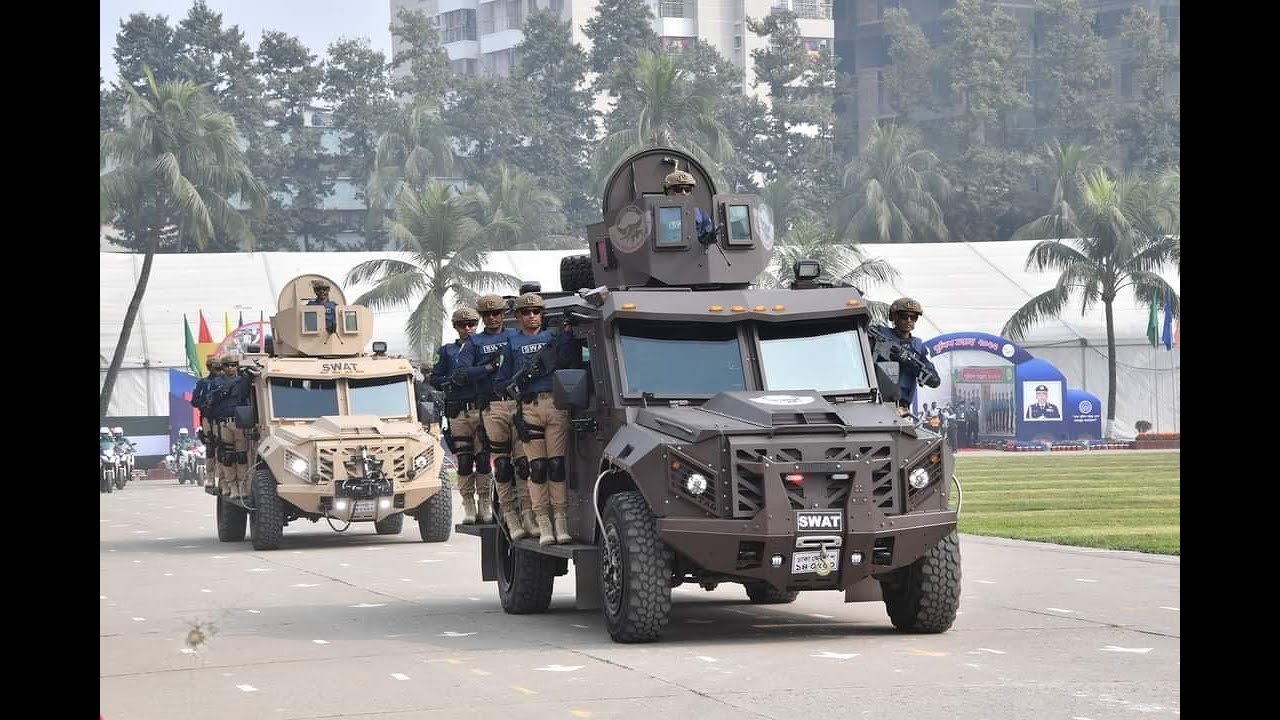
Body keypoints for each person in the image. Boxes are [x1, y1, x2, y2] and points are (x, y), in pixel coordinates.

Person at [453, 294, 534, 539]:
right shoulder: (474, 342)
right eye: (487, 314)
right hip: (491, 406)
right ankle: (509, 516)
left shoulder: (515, 336)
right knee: (501, 466)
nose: (492, 318)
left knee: (524, 465)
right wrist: (488, 368)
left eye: (496, 313)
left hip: (518, 404)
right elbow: (461, 374)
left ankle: (528, 514)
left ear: (503, 314)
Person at [504, 292, 581, 545]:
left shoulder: (553, 338)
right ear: (518, 316)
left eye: (536, 312)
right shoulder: (511, 342)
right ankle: (543, 523)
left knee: (556, 466)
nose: (532, 316)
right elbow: (501, 379)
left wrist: (567, 332)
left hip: (554, 404)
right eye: (526, 312)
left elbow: (567, 359)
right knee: (537, 469)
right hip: (528, 407)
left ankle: (560, 520)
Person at [429, 307, 493, 525]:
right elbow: (435, 379)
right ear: (455, 327)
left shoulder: (484, 347)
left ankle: (484, 502)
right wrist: (452, 380)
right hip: (458, 411)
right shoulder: (447, 351)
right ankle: (468, 504)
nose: (468, 329)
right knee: (464, 460)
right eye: (463, 325)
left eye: (472, 324)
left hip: (480, 409)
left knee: (483, 459)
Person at [871, 297, 941, 412]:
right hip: (876, 401)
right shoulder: (879, 334)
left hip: (902, 406)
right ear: (894, 317)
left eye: (913, 318)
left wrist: (910, 363)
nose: (909, 320)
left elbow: (935, 381)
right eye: (904, 316)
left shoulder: (918, 347)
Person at [191, 355, 222, 488]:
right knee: (210, 447)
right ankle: (210, 478)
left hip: (222, 418)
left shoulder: (224, 382)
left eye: (219, 368)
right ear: (209, 368)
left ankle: (223, 479)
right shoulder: (203, 383)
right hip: (208, 418)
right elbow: (194, 401)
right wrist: (205, 404)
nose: (218, 371)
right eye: (215, 368)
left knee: (225, 448)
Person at [663, 169, 715, 240]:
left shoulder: (701, 215)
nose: (684, 193)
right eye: (678, 189)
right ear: (667, 192)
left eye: (687, 189)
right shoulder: (657, 214)